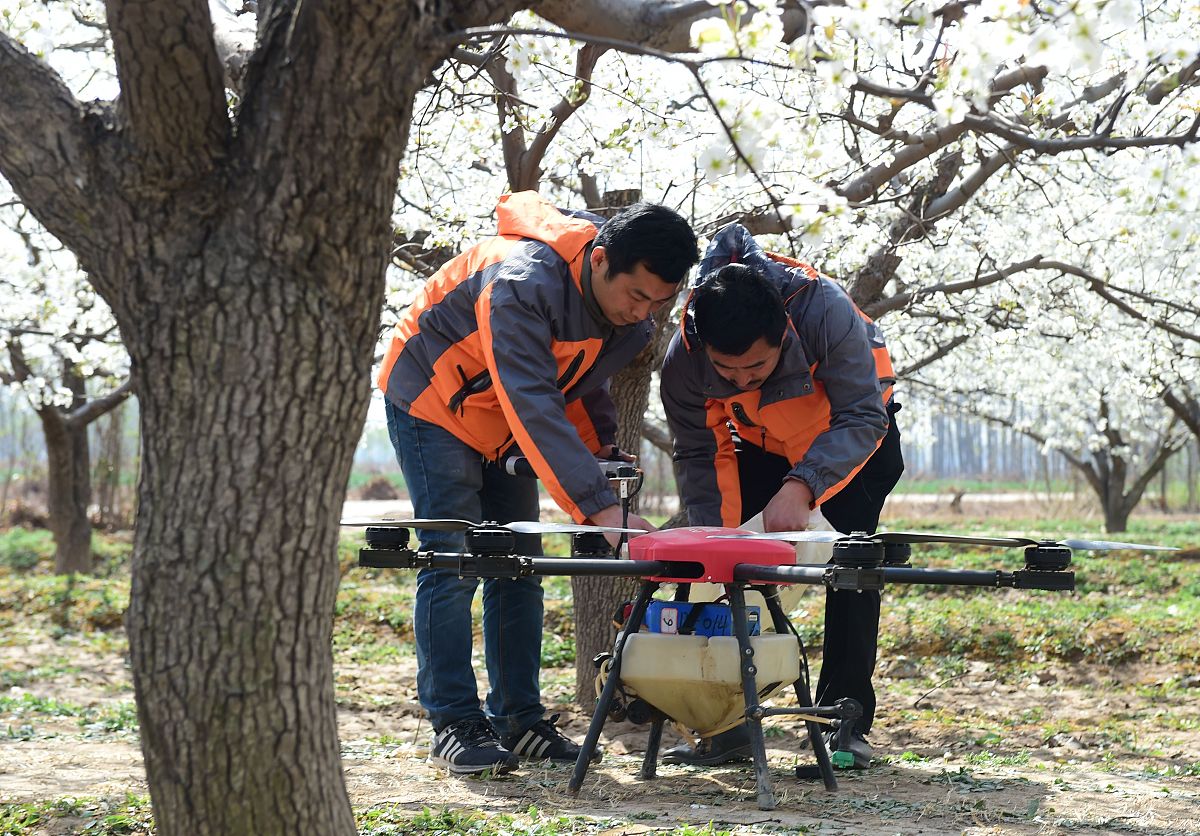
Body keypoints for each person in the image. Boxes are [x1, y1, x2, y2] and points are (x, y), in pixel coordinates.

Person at [377, 191, 698, 775]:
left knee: (517, 564)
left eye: (659, 300)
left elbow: (577, 384)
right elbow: (534, 400)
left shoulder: (623, 315)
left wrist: (600, 451)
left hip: (502, 419)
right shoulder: (520, 283)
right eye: (637, 294)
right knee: (450, 559)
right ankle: (453, 721)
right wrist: (601, 509)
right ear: (600, 259)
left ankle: (519, 719)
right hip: (432, 400)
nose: (643, 311)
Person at [658, 223, 903, 769]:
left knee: (850, 568)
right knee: (731, 571)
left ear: (784, 334)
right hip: (765, 444)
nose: (741, 378)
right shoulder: (682, 361)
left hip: (856, 437)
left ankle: (845, 720)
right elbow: (701, 455)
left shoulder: (822, 309)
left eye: (757, 367)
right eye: (727, 370)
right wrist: (713, 538)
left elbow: (863, 415)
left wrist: (804, 485)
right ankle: (729, 722)